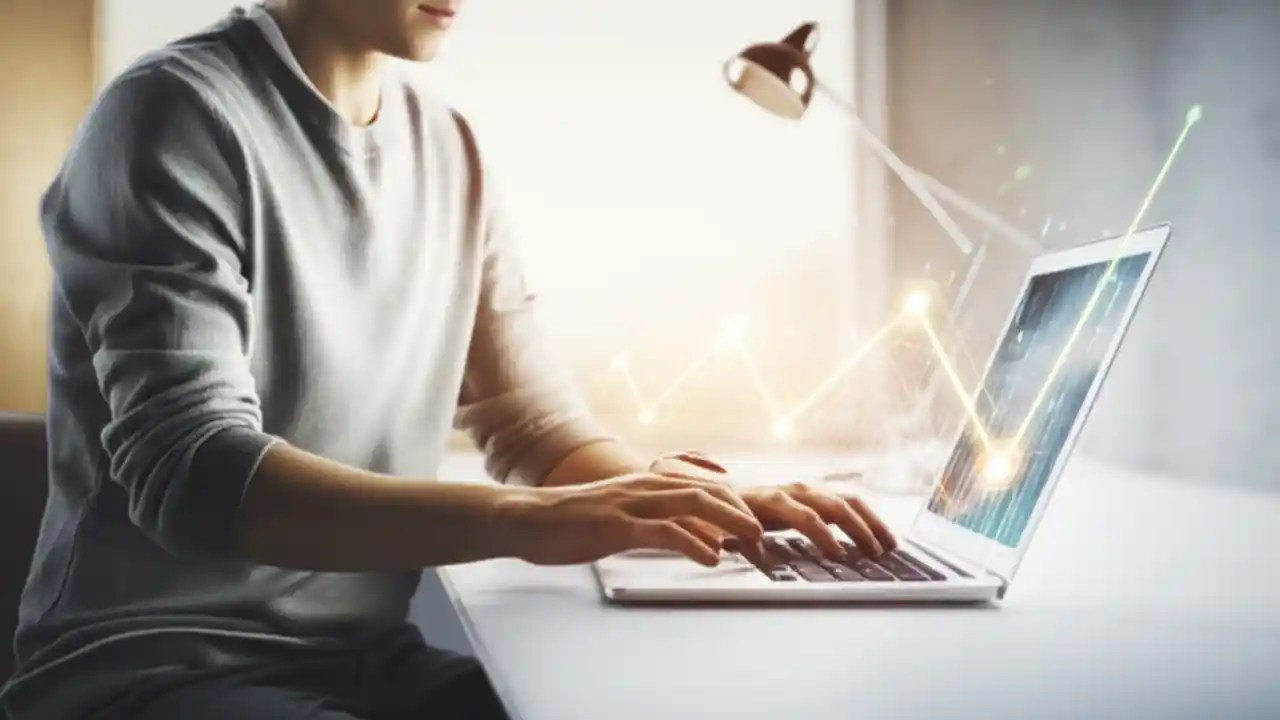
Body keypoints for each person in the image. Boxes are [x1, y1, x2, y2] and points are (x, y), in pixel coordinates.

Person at [0, 2, 897, 718]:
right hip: (154, 674)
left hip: (369, 665)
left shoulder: (454, 150)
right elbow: (190, 474)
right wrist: (526, 520)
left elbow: (534, 426)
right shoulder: (170, 114)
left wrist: (703, 509)